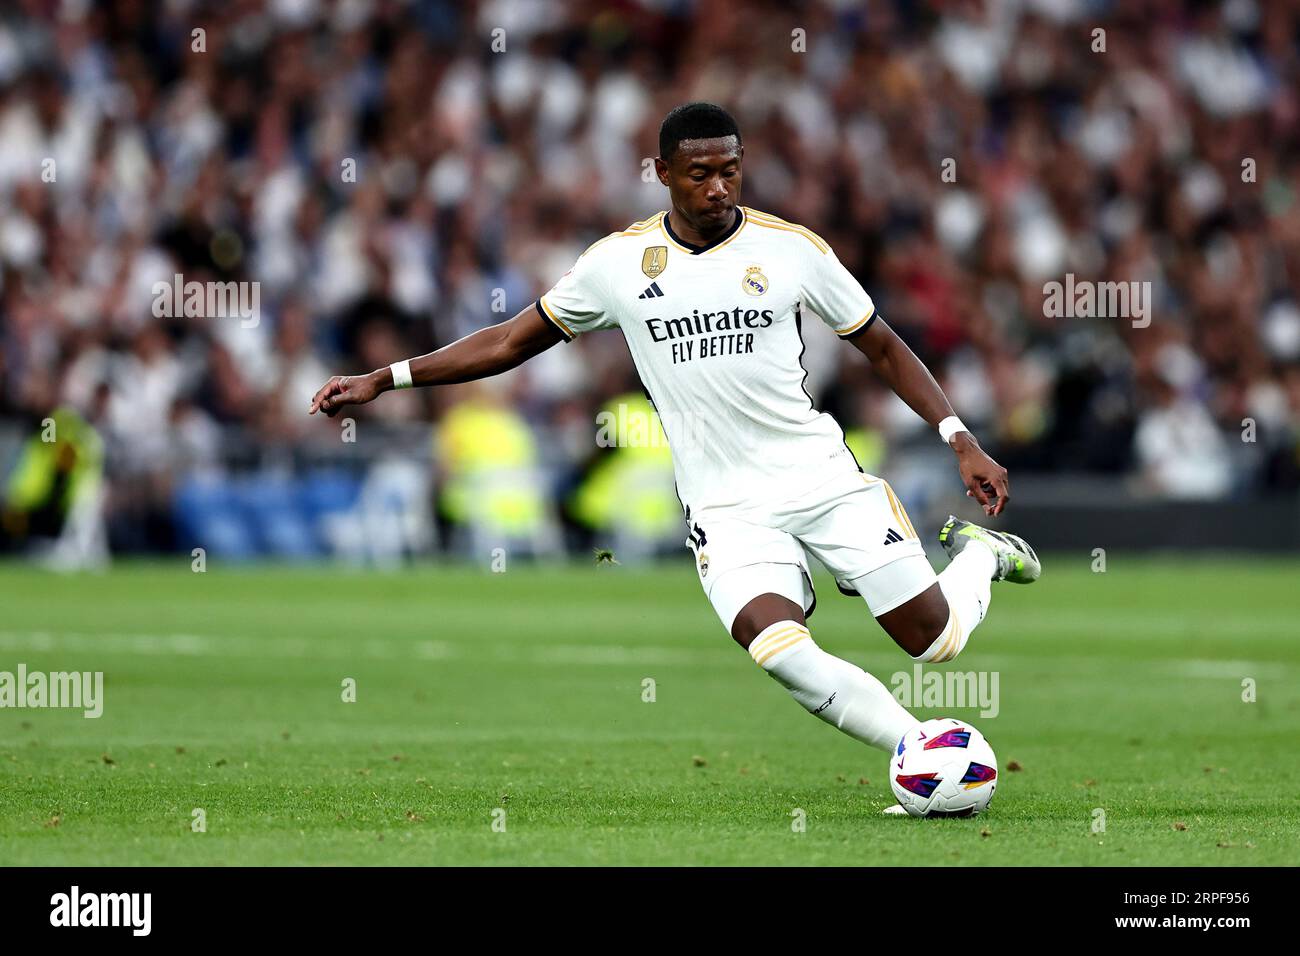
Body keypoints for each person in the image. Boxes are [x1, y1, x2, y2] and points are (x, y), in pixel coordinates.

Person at [310, 102, 1040, 765]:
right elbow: (507, 342)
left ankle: (978, 558)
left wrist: (959, 437)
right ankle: (917, 749)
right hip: (724, 505)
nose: (719, 188)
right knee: (775, 645)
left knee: (934, 642)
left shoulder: (792, 250)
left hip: (818, 476)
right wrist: (387, 377)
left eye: (730, 170)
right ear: (662, 174)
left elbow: (880, 344)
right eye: (699, 174)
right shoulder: (617, 265)